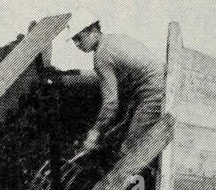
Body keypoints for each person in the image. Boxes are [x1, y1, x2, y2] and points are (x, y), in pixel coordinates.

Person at [67, 11, 165, 160]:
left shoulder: (101, 56)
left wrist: (95, 132)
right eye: (74, 40)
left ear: (92, 30)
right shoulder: (114, 39)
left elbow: (111, 103)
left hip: (154, 93)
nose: (77, 44)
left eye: (79, 38)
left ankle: (139, 182)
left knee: (127, 153)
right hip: (163, 80)